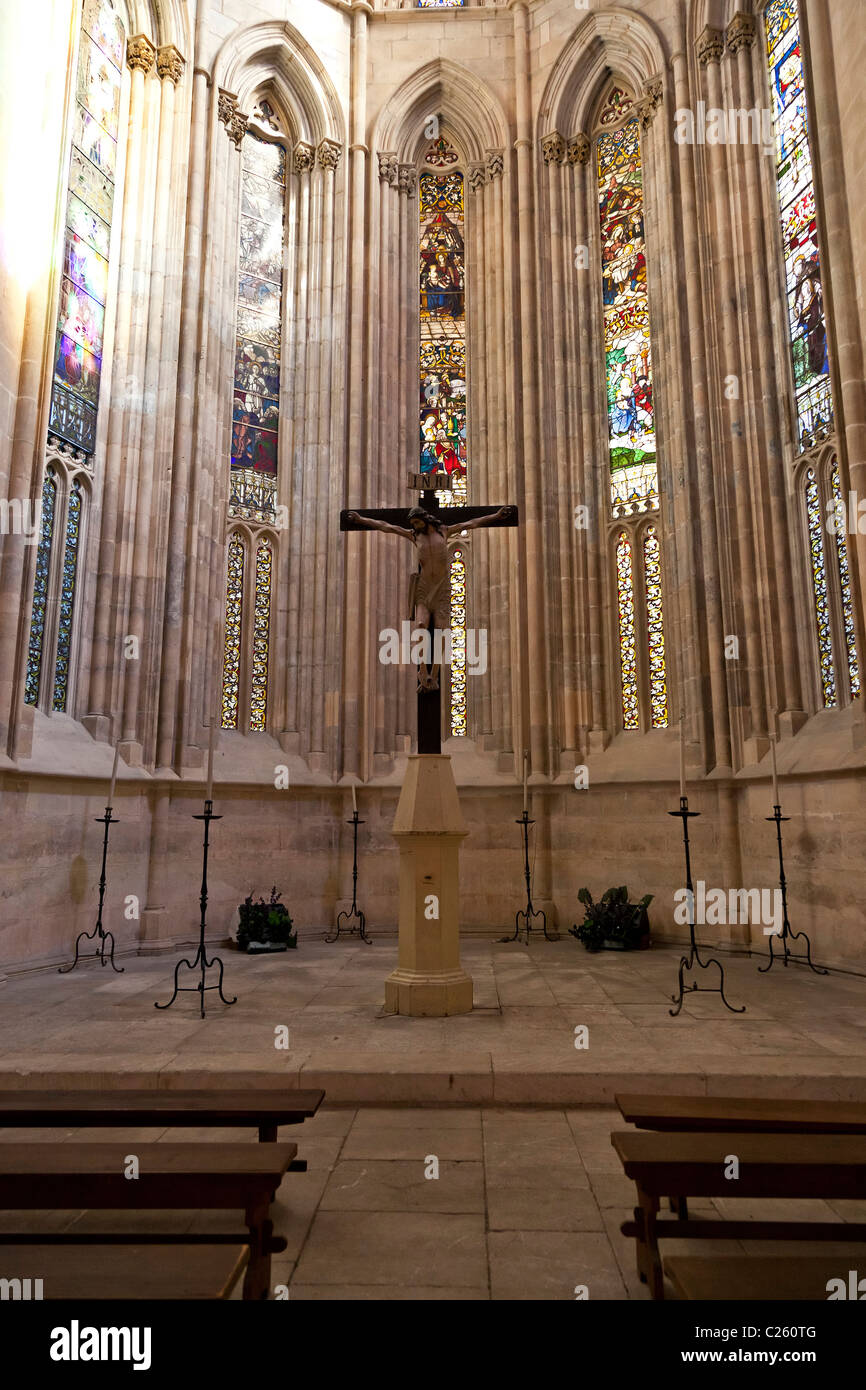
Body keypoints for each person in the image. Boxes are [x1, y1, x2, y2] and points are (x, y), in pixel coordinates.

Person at [346, 504, 514, 691]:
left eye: (417, 522)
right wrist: (361, 520)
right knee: (420, 627)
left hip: (442, 589)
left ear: (425, 519)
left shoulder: (445, 531)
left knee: (443, 631)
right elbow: (386, 527)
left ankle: (434, 676)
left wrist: (497, 516)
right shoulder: (413, 535)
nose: (415, 526)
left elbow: (473, 522)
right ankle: (422, 672)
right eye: (413, 523)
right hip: (424, 589)